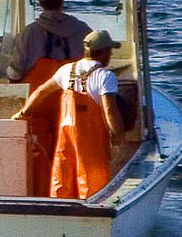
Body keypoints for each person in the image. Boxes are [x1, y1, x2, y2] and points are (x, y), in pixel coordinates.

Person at [13, 30, 125, 200]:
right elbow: (110, 111)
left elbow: (41, 92)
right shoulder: (105, 76)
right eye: (109, 51)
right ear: (102, 52)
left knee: (63, 174)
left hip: (66, 135)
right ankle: (92, 209)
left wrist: (23, 113)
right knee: (92, 180)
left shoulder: (66, 70)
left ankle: (61, 207)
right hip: (90, 138)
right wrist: (119, 138)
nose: (110, 55)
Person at [6, 0, 92, 82]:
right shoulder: (83, 30)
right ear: (62, 0)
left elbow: (16, 73)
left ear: (40, 2)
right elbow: (94, 66)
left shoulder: (29, 32)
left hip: (39, 95)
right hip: (73, 95)